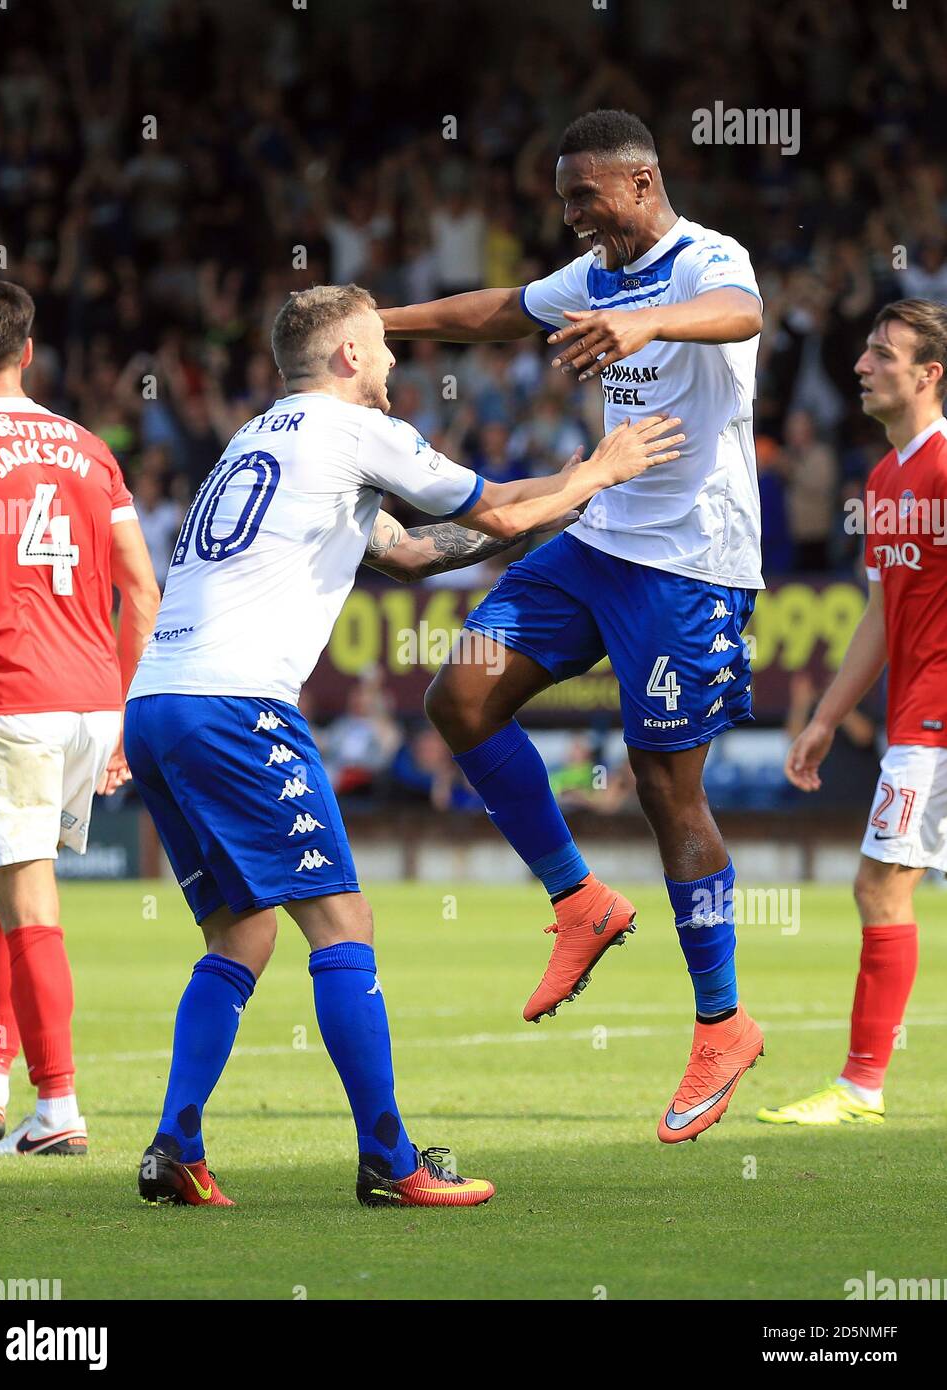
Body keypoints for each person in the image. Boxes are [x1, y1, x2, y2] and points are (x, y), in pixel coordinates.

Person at [123, 282, 682, 1207]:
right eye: (382, 348)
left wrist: (561, 502)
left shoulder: (259, 438)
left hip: (157, 703)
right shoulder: (354, 432)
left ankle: (175, 1148)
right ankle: (391, 1161)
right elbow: (496, 513)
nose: (392, 364)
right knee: (342, 926)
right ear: (347, 356)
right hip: (236, 704)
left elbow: (416, 552)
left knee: (242, 931)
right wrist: (596, 474)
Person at [382, 108, 766, 1143]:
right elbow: (502, 309)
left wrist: (649, 324)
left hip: (689, 564)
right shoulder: (590, 275)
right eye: (563, 202)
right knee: (456, 694)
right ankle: (579, 901)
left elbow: (739, 313)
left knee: (661, 786)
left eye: (583, 198)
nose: (571, 218)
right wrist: (383, 324)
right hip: (596, 538)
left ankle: (723, 1024)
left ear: (639, 184)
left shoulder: (702, 259)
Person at [0, 278, 159, 1156]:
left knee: (26, 900)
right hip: (87, 703)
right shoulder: (89, 446)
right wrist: (122, 714)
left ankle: (59, 1109)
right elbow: (141, 590)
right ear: (30, 353)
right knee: (13, 894)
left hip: (8, 699)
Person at [761, 298, 947, 1127]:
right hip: (911, 715)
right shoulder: (881, 479)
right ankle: (862, 1083)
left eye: (881, 355)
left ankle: (861, 1085)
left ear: (926, 375)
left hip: (933, 722)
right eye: (865, 353)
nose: (861, 366)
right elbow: (879, 616)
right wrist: (827, 717)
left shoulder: (944, 467)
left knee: (878, 883)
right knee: (882, 885)